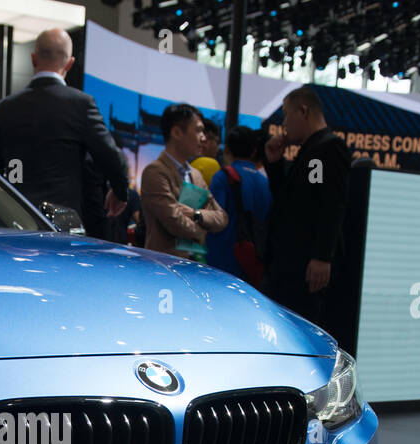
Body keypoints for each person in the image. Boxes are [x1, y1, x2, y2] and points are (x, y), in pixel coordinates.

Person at [0, 29, 127, 225]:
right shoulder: (80, 104)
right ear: (70, 63)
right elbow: (109, 154)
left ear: (33, 59)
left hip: (13, 220)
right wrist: (120, 191)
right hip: (62, 221)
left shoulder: (3, 109)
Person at [263, 86, 351, 323]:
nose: (284, 123)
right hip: (292, 265)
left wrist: (323, 256)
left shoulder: (326, 149)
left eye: (286, 114)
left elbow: (331, 203)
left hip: (305, 268)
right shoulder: (312, 151)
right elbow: (295, 201)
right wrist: (274, 163)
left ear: (303, 111)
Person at [139, 103, 229, 260]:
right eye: (199, 130)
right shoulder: (155, 171)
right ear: (176, 132)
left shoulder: (196, 175)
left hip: (195, 265)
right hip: (163, 265)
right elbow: (174, 222)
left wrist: (197, 214)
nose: (204, 137)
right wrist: (202, 232)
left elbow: (222, 217)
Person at [206, 125, 271, 281]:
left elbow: (215, 219)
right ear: (254, 151)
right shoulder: (265, 182)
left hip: (223, 260)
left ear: (227, 149)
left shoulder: (223, 177)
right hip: (255, 260)